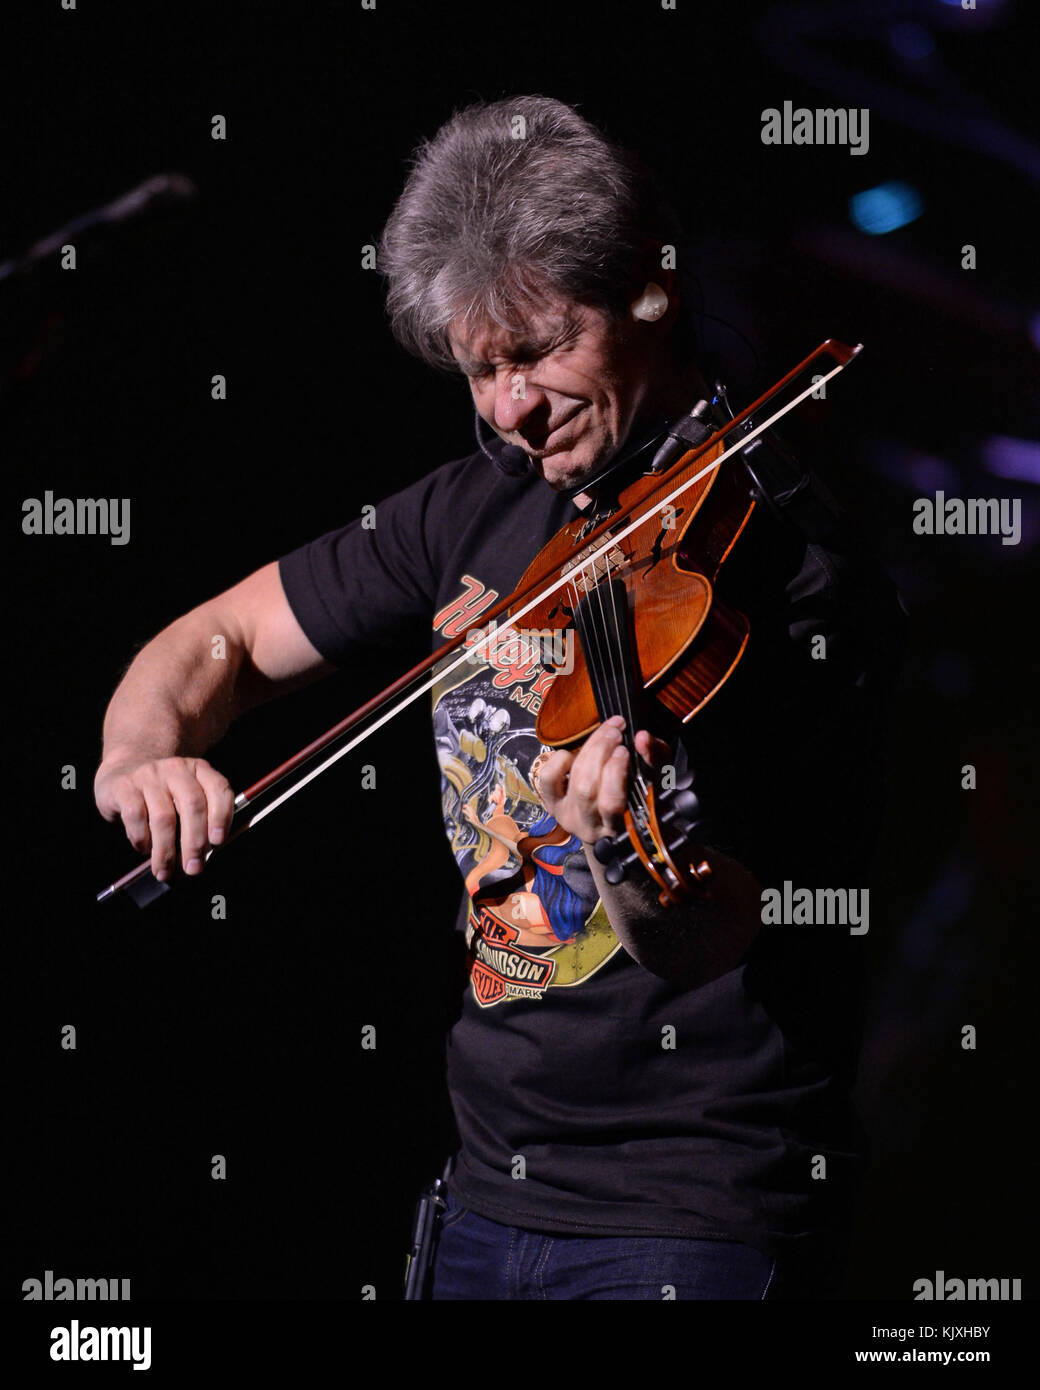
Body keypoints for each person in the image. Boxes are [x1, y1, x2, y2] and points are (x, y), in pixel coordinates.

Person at [94, 96, 904, 1300]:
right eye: (481, 369)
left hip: (691, 1219)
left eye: (534, 351)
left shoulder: (792, 572)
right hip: (478, 1196)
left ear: (646, 285)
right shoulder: (468, 510)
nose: (511, 410)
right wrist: (142, 753)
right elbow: (213, 638)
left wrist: (619, 861)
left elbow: (717, 929)